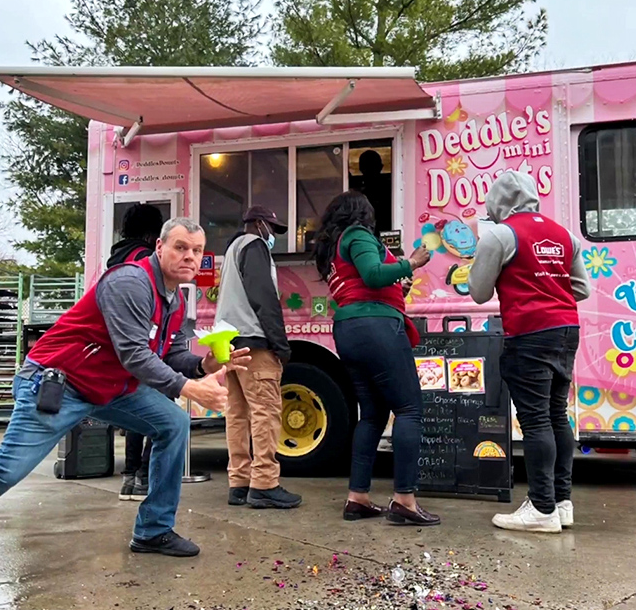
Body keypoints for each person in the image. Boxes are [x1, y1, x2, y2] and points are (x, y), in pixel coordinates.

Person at [0, 218, 251, 557]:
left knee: (173, 423)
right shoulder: (130, 282)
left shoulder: (175, 299)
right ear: (160, 248)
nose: (190, 256)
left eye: (197, 250)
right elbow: (134, 354)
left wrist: (205, 366)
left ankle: (153, 530)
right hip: (59, 382)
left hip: (109, 387)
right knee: (7, 471)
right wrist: (189, 387)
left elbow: (172, 353)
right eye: (180, 247)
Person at [468, 170, 591, 533]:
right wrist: (550, 286)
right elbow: (581, 289)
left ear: (497, 203)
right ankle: (561, 502)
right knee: (556, 415)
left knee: (536, 420)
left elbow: (478, 292)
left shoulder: (500, 235)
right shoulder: (565, 235)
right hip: (566, 330)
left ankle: (541, 508)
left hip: (530, 332)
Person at [313, 191, 440, 526]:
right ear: (362, 213)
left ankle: (358, 498)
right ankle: (405, 500)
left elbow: (364, 282)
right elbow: (371, 274)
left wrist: (398, 286)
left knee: (372, 415)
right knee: (409, 409)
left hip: (350, 330)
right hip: (377, 328)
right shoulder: (357, 235)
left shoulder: (335, 247)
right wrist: (412, 262)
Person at [214, 205, 301, 510]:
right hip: (253, 341)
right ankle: (264, 483)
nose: (273, 235)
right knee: (266, 411)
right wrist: (280, 344)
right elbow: (264, 297)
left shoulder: (233, 249)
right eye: (272, 229)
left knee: (237, 414)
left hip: (228, 341)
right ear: (260, 224)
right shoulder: (254, 245)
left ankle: (239, 482)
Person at [107, 203, 164, 502]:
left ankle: (130, 477)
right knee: (159, 413)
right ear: (152, 233)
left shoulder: (116, 257)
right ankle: (143, 476)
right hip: (143, 346)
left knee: (136, 412)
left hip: (120, 347)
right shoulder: (143, 259)